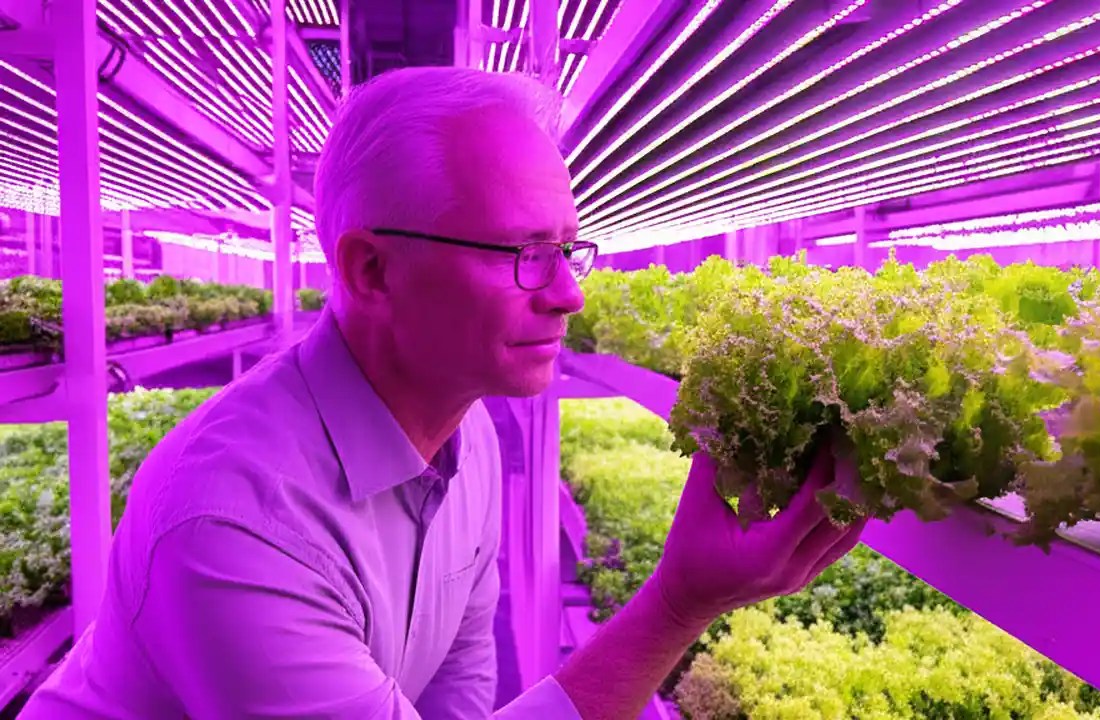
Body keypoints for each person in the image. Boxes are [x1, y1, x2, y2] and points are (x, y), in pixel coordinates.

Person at [19, 67, 865, 719]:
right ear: (372, 270)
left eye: (571, 248)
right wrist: (678, 603)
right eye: (520, 253)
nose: (568, 292)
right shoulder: (233, 521)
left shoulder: (471, 436)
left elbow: (458, 683)